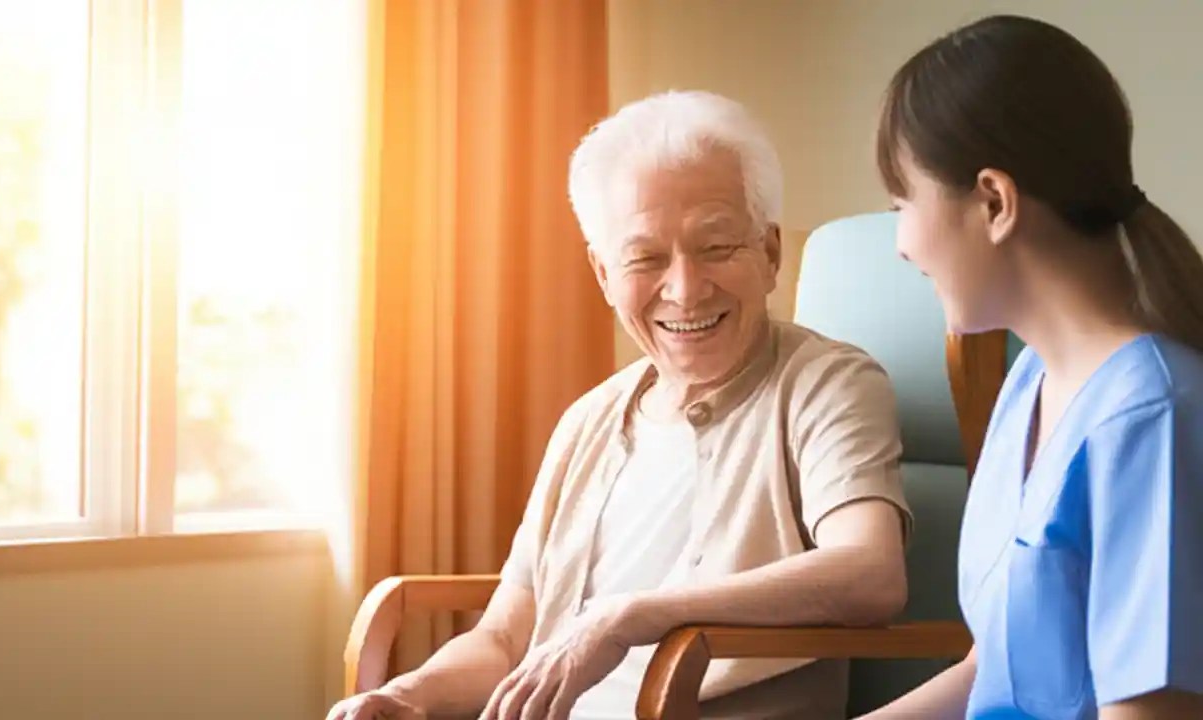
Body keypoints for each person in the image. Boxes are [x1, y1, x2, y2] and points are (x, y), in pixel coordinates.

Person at [327, 91, 912, 720]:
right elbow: (502, 641)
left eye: (716, 247)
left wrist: (636, 614)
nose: (685, 290)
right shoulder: (590, 420)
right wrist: (403, 697)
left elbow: (870, 573)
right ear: (604, 275)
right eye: (645, 258)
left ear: (769, 254)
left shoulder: (827, 384)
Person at [863, 15, 1203, 720]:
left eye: (902, 204)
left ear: (994, 200)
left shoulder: (1152, 417)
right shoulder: (1029, 382)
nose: (899, 244)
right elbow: (993, 672)